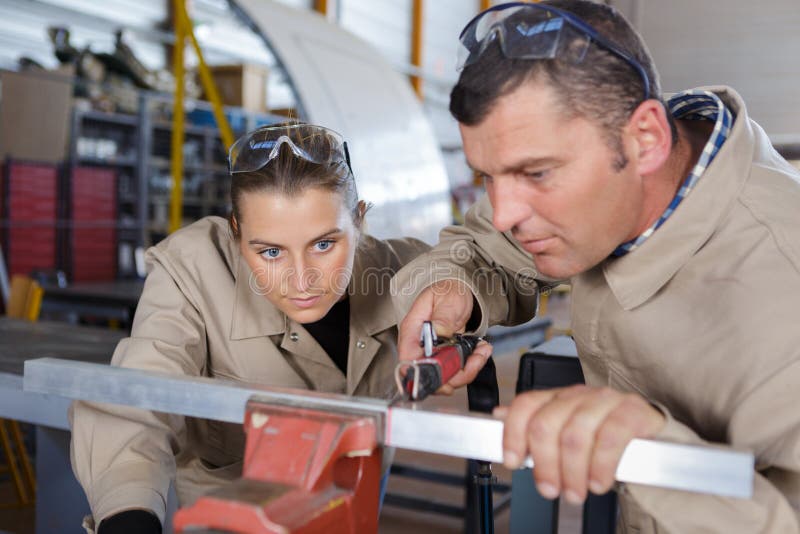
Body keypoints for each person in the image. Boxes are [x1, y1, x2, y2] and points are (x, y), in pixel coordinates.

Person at [392, 1, 800, 532]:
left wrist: (659, 453)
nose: (504, 212)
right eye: (489, 176)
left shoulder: (782, 291)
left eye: (535, 172)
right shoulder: (621, 172)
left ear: (646, 139)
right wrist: (453, 285)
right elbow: (483, 246)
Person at [70, 123, 430, 533]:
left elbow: (494, 268)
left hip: (356, 498)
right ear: (236, 232)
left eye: (324, 245)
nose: (301, 279)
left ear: (359, 220)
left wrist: (466, 300)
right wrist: (128, 513)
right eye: (271, 252)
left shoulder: (403, 271)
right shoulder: (192, 270)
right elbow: (138, 397)